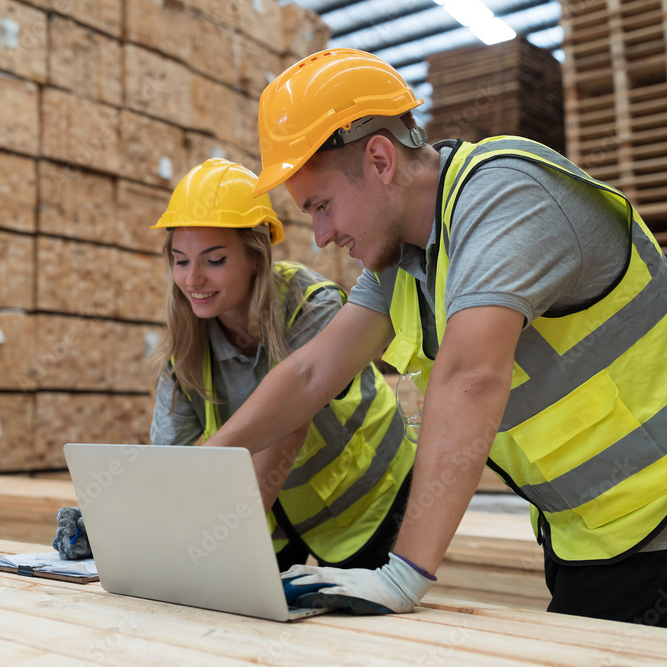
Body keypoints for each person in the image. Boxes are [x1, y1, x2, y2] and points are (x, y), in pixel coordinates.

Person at [203, 48, 667, 626]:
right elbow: (311, 371)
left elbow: (472, 376)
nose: (321, 236)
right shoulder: (403, 258)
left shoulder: (506, 197)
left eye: (322, 206)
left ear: (379, 160)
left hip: (655, 523)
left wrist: (404, 574)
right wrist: (201, 465)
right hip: (586, 533)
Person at [54, 157, 416, 573]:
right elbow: (170, 462)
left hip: (368, 500)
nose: (192, 280)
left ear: (255, 257)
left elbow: (290, 424)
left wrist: (208, 542)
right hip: (275, 518)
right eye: (180, 260)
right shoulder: (186, 355)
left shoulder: (310, 305)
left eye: (214, 260)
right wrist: (115, 523)